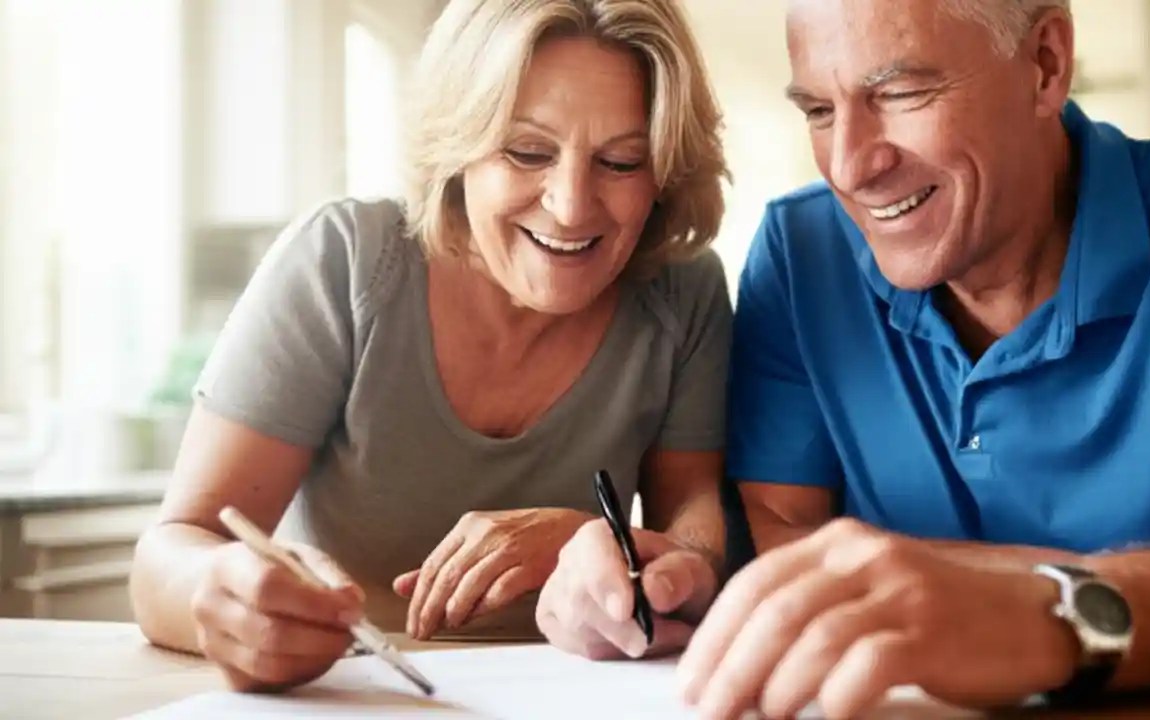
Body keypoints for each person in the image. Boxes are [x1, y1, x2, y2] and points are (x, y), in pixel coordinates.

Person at [673, 0, 1150, 718]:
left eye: (900, 95)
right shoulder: (799, 255)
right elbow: (784, 527)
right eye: (818, 110)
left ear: (1045, 64)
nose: (850, 166)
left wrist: (1048, 614)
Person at [129, 0, 733, 692]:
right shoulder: (346, 264)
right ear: (458, 147)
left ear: (665, 173)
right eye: (526, 151)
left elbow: (693, 532)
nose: (571, 205)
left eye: (622, 162)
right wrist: (221, 597)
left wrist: (600, 550)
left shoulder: (683, 292)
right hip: (343, 694)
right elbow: (169, 554)